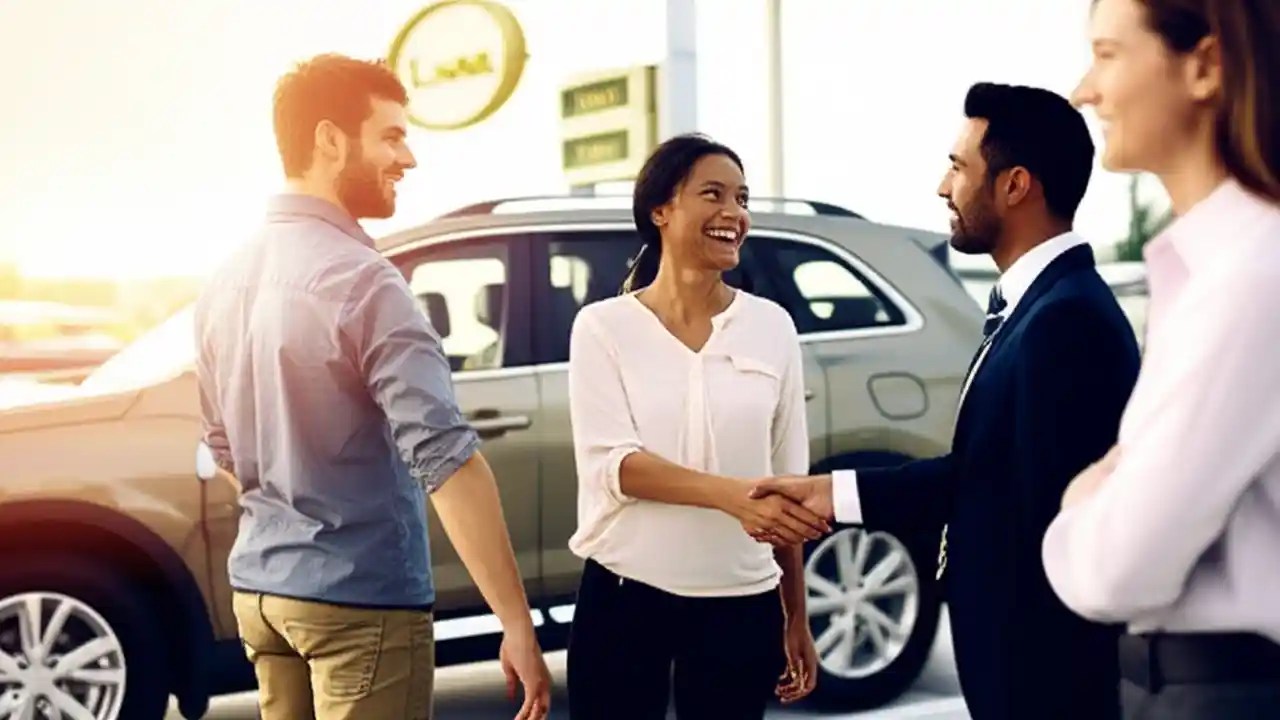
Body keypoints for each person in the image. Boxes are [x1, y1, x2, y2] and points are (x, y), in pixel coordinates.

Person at [751, 83, 1142, 719]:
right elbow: (993, 475)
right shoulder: (1041, 308)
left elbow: (1030, 509)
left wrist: (841, 495)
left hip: (1045, 673)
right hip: (1020, 664)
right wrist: (832, 494)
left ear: (1015, 185)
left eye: (959, 167)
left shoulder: (1067, 321)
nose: (943, 186)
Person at [194, 54, 551, 720]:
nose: (407, 158)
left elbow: (223, 451)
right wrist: (518, 626)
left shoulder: (225, 279)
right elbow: (447, 460)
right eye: (391, 135)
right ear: (330, 139)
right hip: (360, 609)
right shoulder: (368, 282)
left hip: (265, 599)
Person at [1041, 0, 1280, 717]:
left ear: (1204, 65)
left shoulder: (1250, 274)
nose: (1085, 89)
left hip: (1225, 688)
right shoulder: (1217, 269)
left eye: (1108, 54)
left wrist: (1079, 504)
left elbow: (1118, 571)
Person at [563, 133, 828, 719]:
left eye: (743, 198)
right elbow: (614, 466)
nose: (734, 214)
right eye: (713, 194)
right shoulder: (604, 328)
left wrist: (796, 617)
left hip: (742, 604)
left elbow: (788, 481)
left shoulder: (773, 327)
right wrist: (736, 498)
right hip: (626, 596)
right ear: (661, 209)